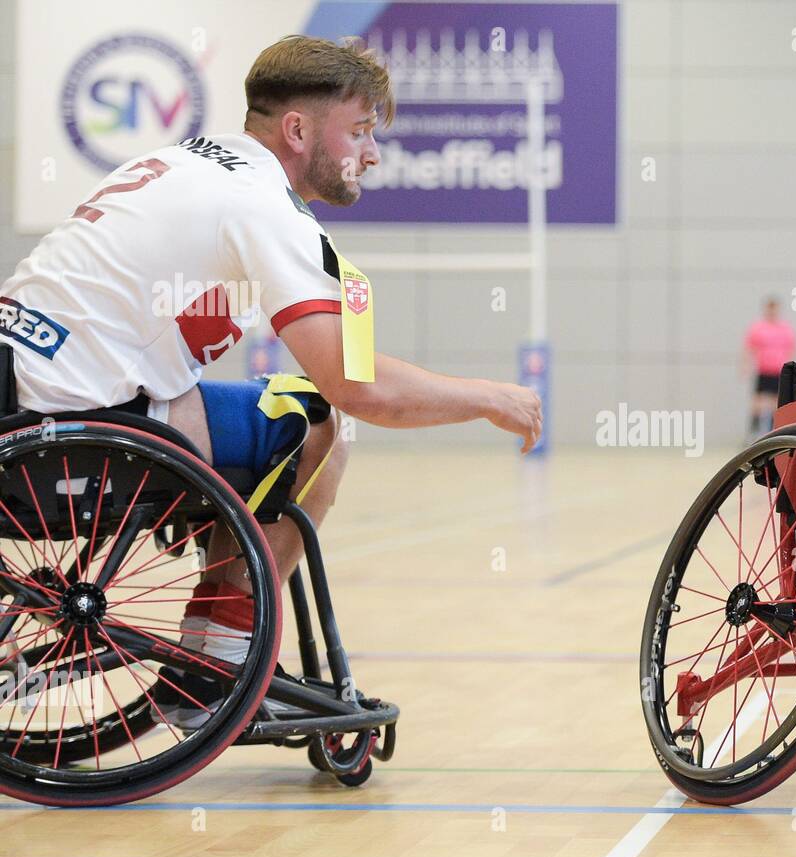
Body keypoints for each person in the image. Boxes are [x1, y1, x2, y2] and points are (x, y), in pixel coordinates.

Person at [0, 35, 542, 728]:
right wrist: (490, 397)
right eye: (361, 131)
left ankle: (213, 641)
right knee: (322, 424)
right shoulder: (263, 203)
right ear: (297, 129)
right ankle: (219, 658)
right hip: (78, 435)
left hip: (25, 412)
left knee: (264, 419)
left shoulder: (178, 161)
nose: (372, 154)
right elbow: (358, 386)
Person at [743, 297, 796, 440]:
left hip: (777, 371)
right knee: (758, 403)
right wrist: (746, 365)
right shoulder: (758, 328)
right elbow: (749, 348)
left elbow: (791, 348)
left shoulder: (785, 328)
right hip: (763, 370)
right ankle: (753, 432)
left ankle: (772, 432)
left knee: (775, 402)